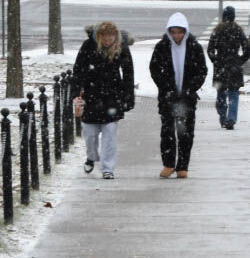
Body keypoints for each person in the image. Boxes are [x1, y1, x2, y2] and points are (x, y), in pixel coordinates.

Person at [72, 20, 135, 179]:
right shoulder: (89, 46)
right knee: (90, 133)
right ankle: (91, 157)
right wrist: (76, 92)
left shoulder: (121, 47)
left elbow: (128, 73)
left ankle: (108, 168)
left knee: (110, 134)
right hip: (91, 95)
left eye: (111, 38)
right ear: (99, 37)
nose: (108, 41)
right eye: (105, 38)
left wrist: (128, 97)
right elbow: (78, 69)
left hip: (112, 96)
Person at [148, 12, 207, 178]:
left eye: (179, 32)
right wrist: (167, 88)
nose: (176, 36)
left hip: (187, 98)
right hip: (168, 97)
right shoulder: (162, 47)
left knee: (185, 132)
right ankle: (168, 164)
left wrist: (190, 89)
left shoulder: (194, 47)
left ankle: (183, 166)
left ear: (185, 31)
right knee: (167, 131)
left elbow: (201, 71)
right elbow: (155, 69)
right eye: (173, 32)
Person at [206, 5, 250, 130]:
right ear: (234, 16)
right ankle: (231, 118)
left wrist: (216, 60)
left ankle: (223, 117)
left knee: (221, 94)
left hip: (221, 67)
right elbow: (247, 50)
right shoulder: (238, 30)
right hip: (234, 68)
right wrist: (239, 61)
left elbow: (210, 50)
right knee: (233, 94)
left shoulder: (217, 31)